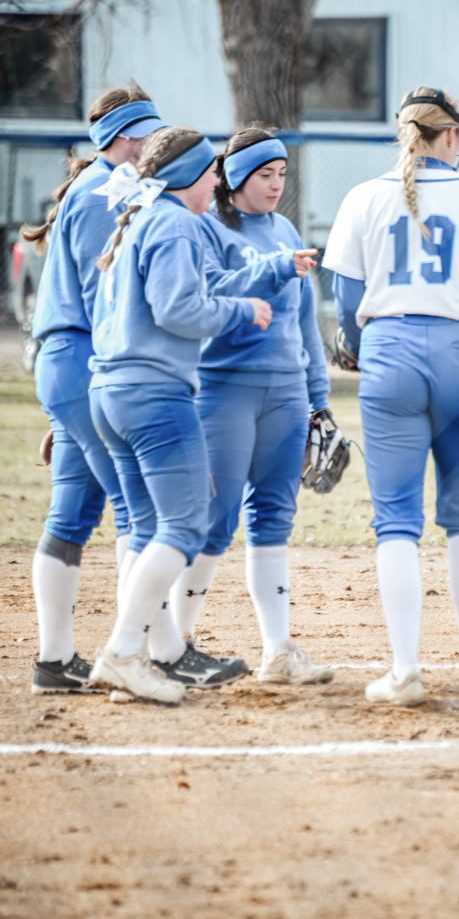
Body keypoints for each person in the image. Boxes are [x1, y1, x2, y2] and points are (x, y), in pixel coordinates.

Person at [324, 86, 459, 706]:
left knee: (396, 524)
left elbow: (348, 303)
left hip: (389, 357)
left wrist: (357, 342)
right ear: (451, 136)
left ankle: (405, 671)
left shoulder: (362, 198)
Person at [87, 126, 272, 704]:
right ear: (189, 176)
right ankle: (120, 653)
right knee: (185, 526)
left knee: (145, 531)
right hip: (152, 394)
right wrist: (243, 308)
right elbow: (178, 309)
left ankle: (134, 659)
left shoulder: (142, 217)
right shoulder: (175, 222)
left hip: (111, 389)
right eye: (210, 171)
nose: (217, 180)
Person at [147, 126, 336, 685]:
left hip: (286, 388)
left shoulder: (284, 229)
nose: (276, 185)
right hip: (224, 386)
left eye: (281, 174)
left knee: (274, 514)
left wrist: (318, 398)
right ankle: (177, 644)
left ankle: (277, 650)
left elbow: (305, 320)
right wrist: (277, 268)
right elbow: (213, 295)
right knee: (215, 517)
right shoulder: (204, 226)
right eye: (264, 175)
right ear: (234, 177)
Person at [20, 84, 168, 695]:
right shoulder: (104, 194)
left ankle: (55, 662)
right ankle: (144, 651)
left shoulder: (100, 188)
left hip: (68, 362)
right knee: (141, 506)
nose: (157, 149)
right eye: (150, 138)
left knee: (76, 510)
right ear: (124, 142)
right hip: (86, 358)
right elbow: (98, 300)